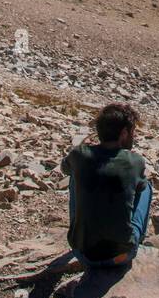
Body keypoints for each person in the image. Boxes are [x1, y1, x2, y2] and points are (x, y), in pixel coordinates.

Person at [61, 102, 151, 268]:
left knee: (75, 173)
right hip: (122, 255)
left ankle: (81, 232)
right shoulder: (134, 161)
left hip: (82, 253)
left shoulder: (79, 154)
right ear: (124, 133)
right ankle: (136, 236)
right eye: (132, 132)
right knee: (147, 187)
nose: (133, 136)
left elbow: (64, 168)